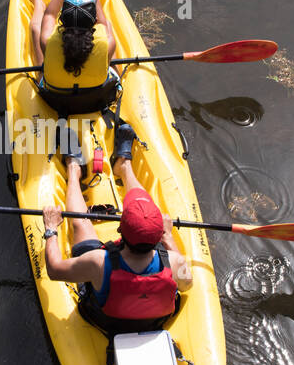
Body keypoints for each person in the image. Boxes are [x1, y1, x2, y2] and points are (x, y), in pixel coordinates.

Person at [41, 121, 193, 333]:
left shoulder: (97, 263)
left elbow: (55, 270)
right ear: (157, 236)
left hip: (105, 319)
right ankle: (124, 165)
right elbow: (186, 286)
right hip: (153, 321)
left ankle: (74, 169)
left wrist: (51, 229)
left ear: (119, 231)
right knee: (143, 207)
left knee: (81, 224)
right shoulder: (175, 262)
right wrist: (168, 237)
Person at [23, 0, 118, 113]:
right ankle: (39, 2)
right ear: (92, 20)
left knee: (36, 31)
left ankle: (37, 3)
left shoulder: (48, 41)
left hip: (56, 98)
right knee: (109, 31)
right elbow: (103, 23)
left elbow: (49, 15)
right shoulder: (106, 43)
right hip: (95, 98)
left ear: (62, 19)